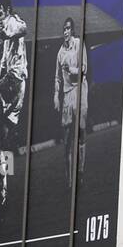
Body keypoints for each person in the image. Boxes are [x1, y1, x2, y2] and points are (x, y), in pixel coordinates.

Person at [0, 0, 28, 206]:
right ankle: (7, 182)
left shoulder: (14, 22)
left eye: (0, 13)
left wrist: (8, 32)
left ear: (8, 11)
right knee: (1, 145)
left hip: (15, 81)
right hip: (7, 86)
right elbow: (1, 67)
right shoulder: (5, 36)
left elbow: (24, 28)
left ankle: (5, 187)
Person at [53, 16, 88, 187]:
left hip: (80, 89)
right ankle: (68, 179)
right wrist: (55, 95)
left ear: (72, 30)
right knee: (67, 139)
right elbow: (57, 78)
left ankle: (80, 172)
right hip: (67, 95)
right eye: (64, 29)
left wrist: (72, 69)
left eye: (68, 28)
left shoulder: (79, 44)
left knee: (81, 132)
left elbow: (83, 69)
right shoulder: (60, 53)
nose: (65, 31)